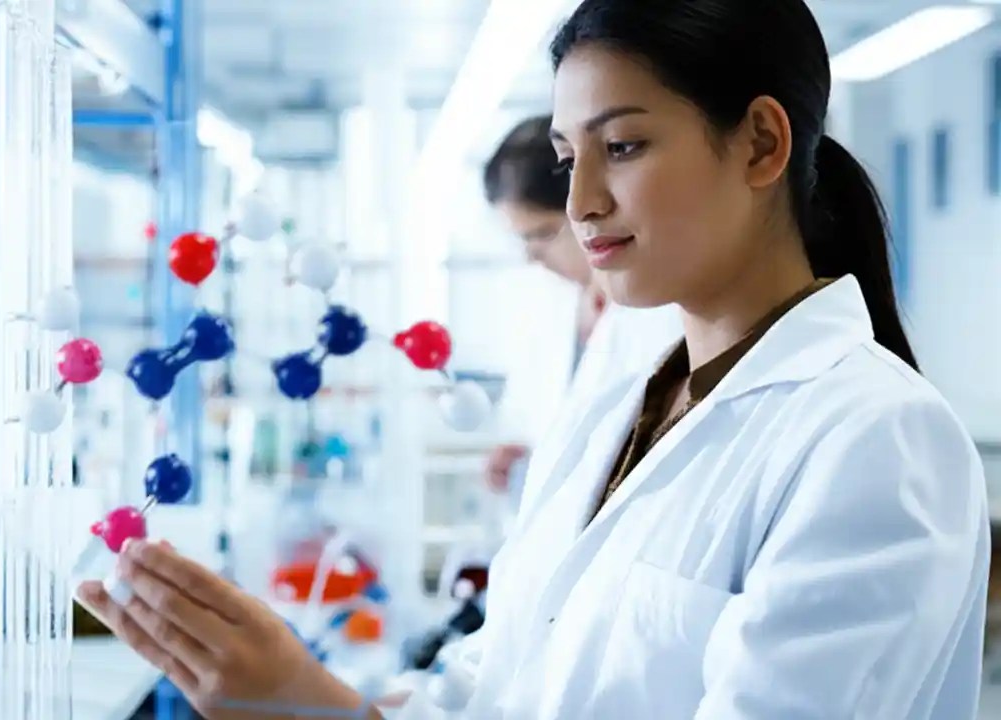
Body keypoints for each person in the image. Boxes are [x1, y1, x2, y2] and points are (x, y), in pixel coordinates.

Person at [77, 1, 989, 717]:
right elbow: (504, 674)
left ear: (759, 142)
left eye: (622, 147)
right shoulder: (629, 385)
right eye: (567, 157)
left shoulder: (876, 441)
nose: (583, 201)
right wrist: (313, 698)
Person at [482, 114, 680, 496]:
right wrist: (527, 457)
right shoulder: (554, 308)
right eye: (523, 242)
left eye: (541, 234)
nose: (534, 257)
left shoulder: (660, 312)